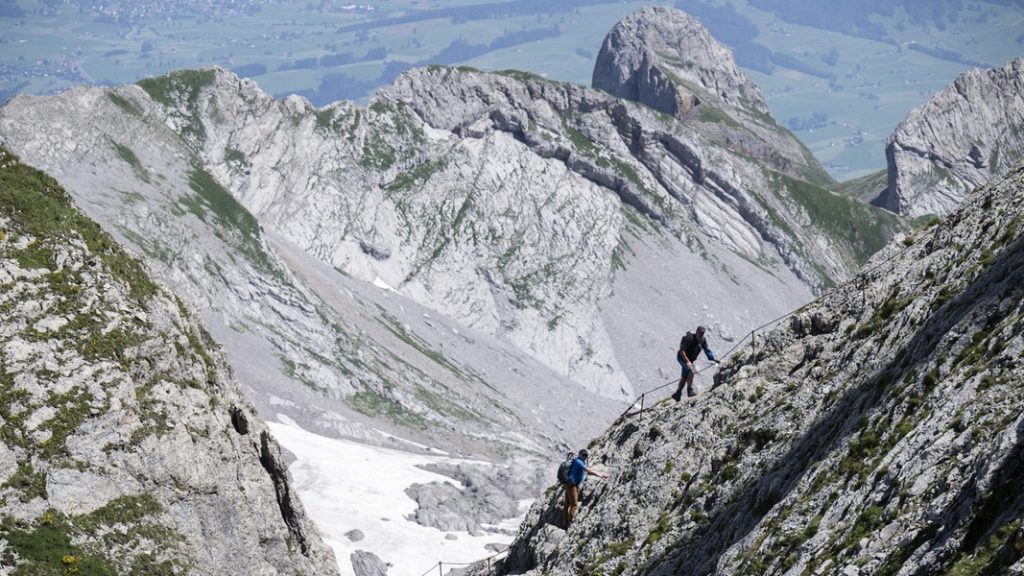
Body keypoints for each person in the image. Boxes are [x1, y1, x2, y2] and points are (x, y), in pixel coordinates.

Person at [671, 325, 720, 401]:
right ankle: (689, 391)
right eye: (700, 333)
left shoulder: (702, 340)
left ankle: (677, 394)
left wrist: (713, 358)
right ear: (696, 332)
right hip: (682, 357)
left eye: (703, 333)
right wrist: (687, 361)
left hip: (690, 360)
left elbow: (706, 350)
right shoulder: (688, 339)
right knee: (690, 371)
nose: (701, 335)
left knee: (685, 375)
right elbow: (682, 351)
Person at [563, 449, 605, 528]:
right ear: (579, 454)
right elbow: (588, 470)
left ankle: (565, 521)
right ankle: (568, 524)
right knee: (574, 505)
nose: (585, 457)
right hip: (572, 486)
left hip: (569, 484)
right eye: (583, 455)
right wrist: (600, 474)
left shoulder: (578, 461)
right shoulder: (579, 462)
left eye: (586, 455)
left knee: (567, 503)